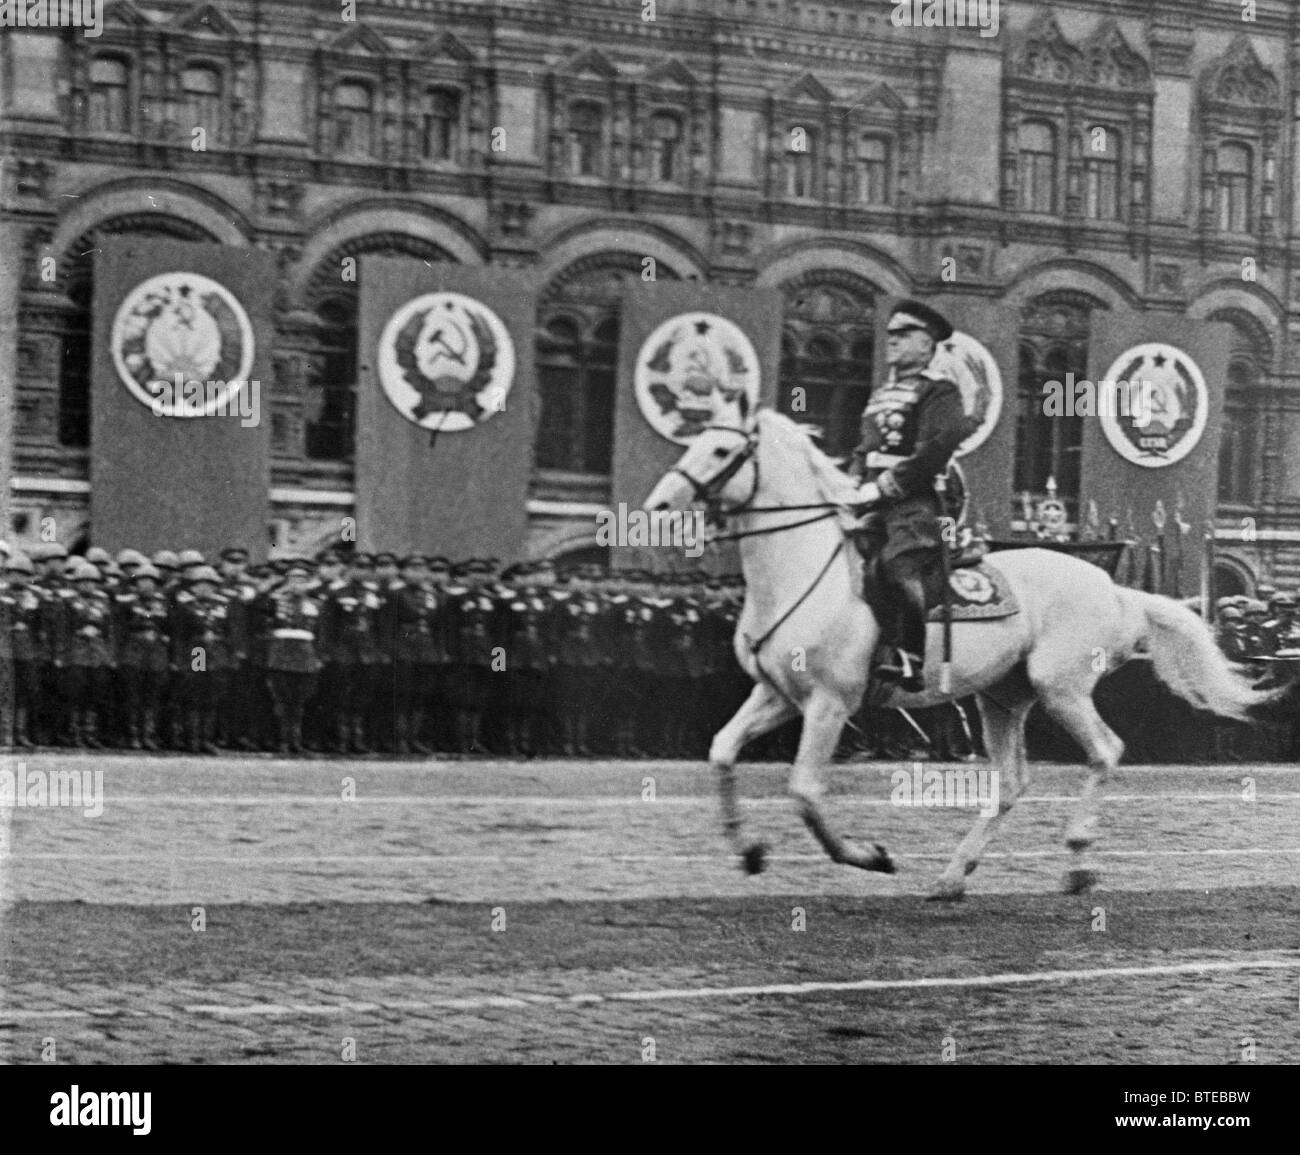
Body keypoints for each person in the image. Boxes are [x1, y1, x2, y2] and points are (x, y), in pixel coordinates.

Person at [849, 300, 974, 692]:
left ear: (927, 344)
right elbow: (864, 449)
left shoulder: (940, 392)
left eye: (904, 336)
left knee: (897, 564)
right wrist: (851, 483)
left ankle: (911, 655)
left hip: (914, 502)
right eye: (891, 335)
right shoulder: (880, 395)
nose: (893, 342)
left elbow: (938, 446)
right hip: (870, 501)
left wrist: (887, 484)